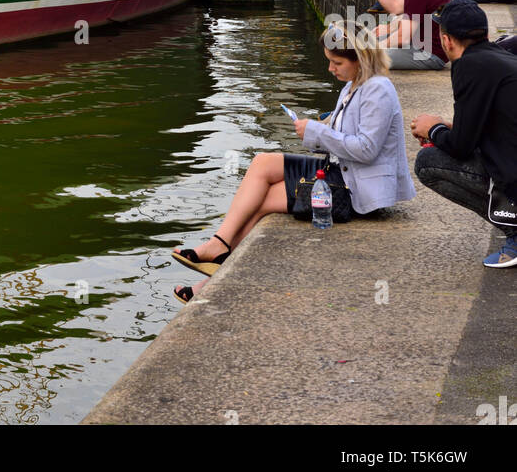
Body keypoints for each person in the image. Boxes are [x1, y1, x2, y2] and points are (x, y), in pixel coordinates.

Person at [171, 26, 416, 301]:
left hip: (357, 191)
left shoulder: (377, 90)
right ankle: (219, 247)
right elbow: (341, 137)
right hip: (342, 173)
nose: (330, 69)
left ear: (360, 59)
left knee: (262, 202)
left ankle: (215, 266)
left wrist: (317, 132)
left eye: (337, 63)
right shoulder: (354, 85)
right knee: (262, 163)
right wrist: (314, 129)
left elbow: (367, 149)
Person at [413, 0, 517, 268]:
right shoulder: (500, 56)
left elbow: (461, 147)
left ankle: (515, 229)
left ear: (446, 40)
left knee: (427, 163)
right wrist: (448, 127)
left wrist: (432, 129)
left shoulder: (469, 65)